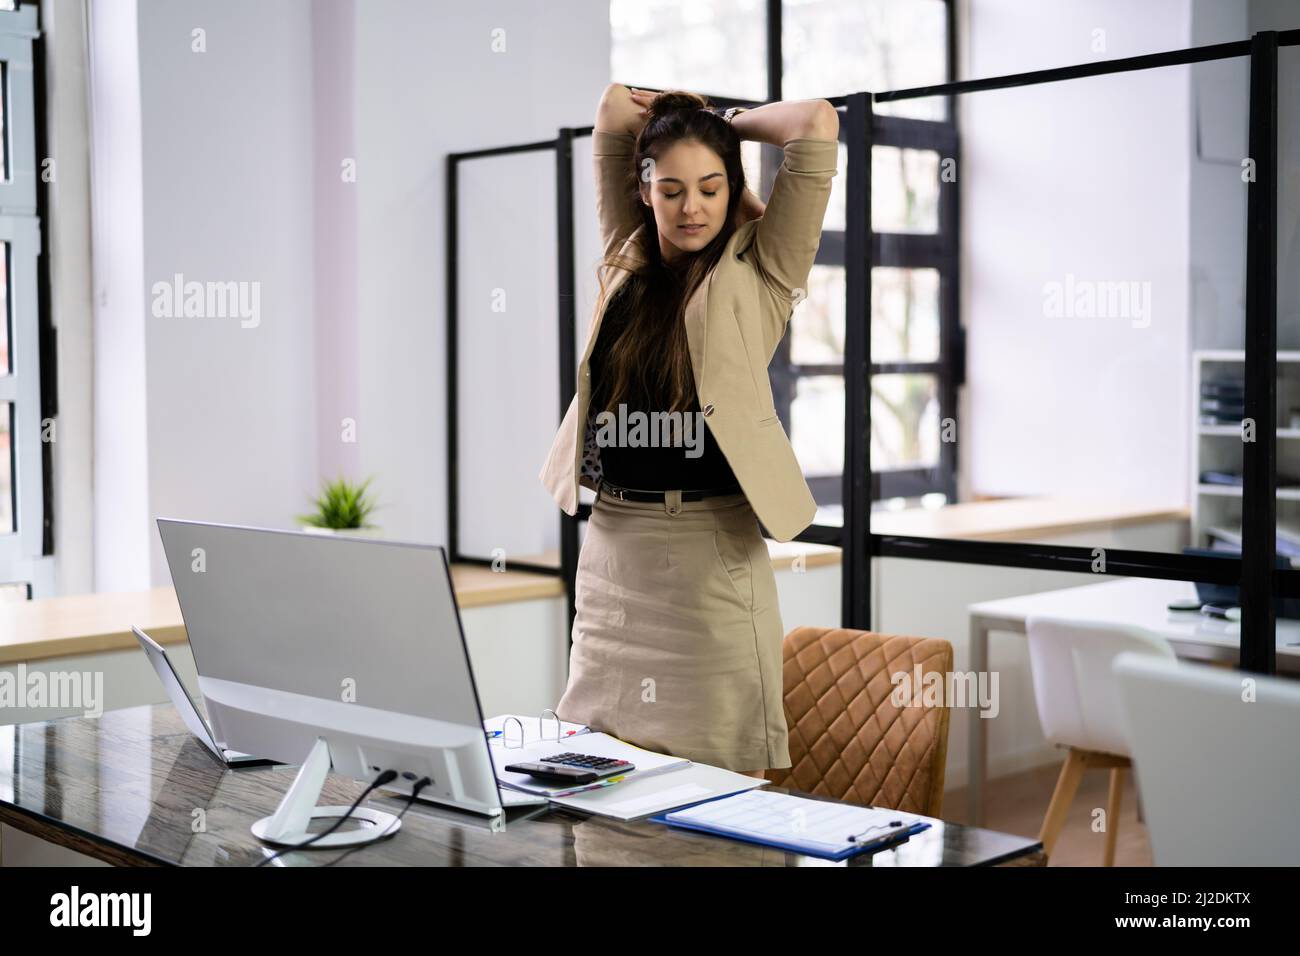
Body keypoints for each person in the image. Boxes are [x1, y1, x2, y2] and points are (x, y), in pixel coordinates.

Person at [539, 83, 839, 776]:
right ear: (644, 191)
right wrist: (680, 113)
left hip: (711, 564)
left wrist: (721, 125)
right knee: (598, 784)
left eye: (710, 186)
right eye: (670, 188)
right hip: (612, 556)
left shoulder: (765, 267)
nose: (691, 206)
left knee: (716, 787)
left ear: (733, 186)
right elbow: (613, 106)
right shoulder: (626, 254)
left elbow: (815, 122)